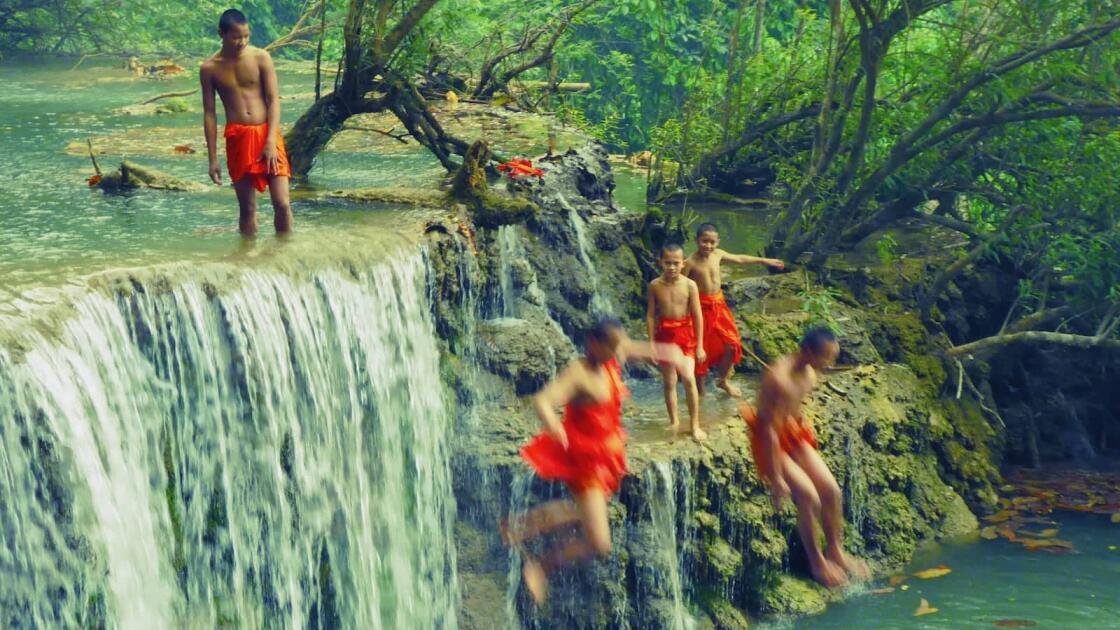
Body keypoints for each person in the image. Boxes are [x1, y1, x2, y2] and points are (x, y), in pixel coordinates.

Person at [501, 317, 693, 604]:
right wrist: (552, 423)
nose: (620, 352)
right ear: (594, 343)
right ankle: (541, 564)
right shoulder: (579, 373)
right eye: (613, 346)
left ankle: (518, 525)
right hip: (585, 463)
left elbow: (641, 348)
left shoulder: (611, 355)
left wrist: (675, 355)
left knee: (583, 513)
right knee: (599, 542)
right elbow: (543, 400)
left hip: (606, 460)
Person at [738, 328, 869, 587]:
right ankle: (817, 562)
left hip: (792, 431)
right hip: (769, 438)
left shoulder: (810, 372)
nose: (830, 365)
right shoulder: (778, 378)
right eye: (826, 358)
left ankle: (836, 550)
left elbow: (793, 409)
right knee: (809, 496)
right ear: (807, 351)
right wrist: (776, 479)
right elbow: (768, 431)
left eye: (833, 358)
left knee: (831, 491)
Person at [200, 9, 294, 235]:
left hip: (267, 134)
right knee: (247, 208)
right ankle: (249, 262)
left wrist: (271, 141)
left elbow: (273, 100)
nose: (242, 41)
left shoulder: (260, 57)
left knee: (282, 203)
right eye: (236, 37)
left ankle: (284, 256)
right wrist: (213, 159)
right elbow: (210, 113)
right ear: (221, 34)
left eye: (246, 36)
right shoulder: (209, 68)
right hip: (238, 137)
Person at [684, 223, 784, 397]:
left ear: (718, 242)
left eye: (712, 242)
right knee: (700, 351)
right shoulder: (690, 262)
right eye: (704, 241)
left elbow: (740, 259)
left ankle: (722, 380)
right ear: (696, 240)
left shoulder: (718, 254)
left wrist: (764, 260)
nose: (708, 245)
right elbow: (679, 286)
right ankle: (699, 395)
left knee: (732, 344)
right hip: (700, 310)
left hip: (719, 306)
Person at [647, 242, 707, 440]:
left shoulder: (690, 285)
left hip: (685, 336)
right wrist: (651, 344)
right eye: (667, 263)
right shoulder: (655, 285)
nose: (671, 267)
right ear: (660, 263)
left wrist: (699, 346)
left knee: (689, 378)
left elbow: (698, 315)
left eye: (676, 263)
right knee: (669, 382)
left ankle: (695, 424)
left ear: (683, 263)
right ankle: (674, 421)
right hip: (664, 336)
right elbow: (650, 316)